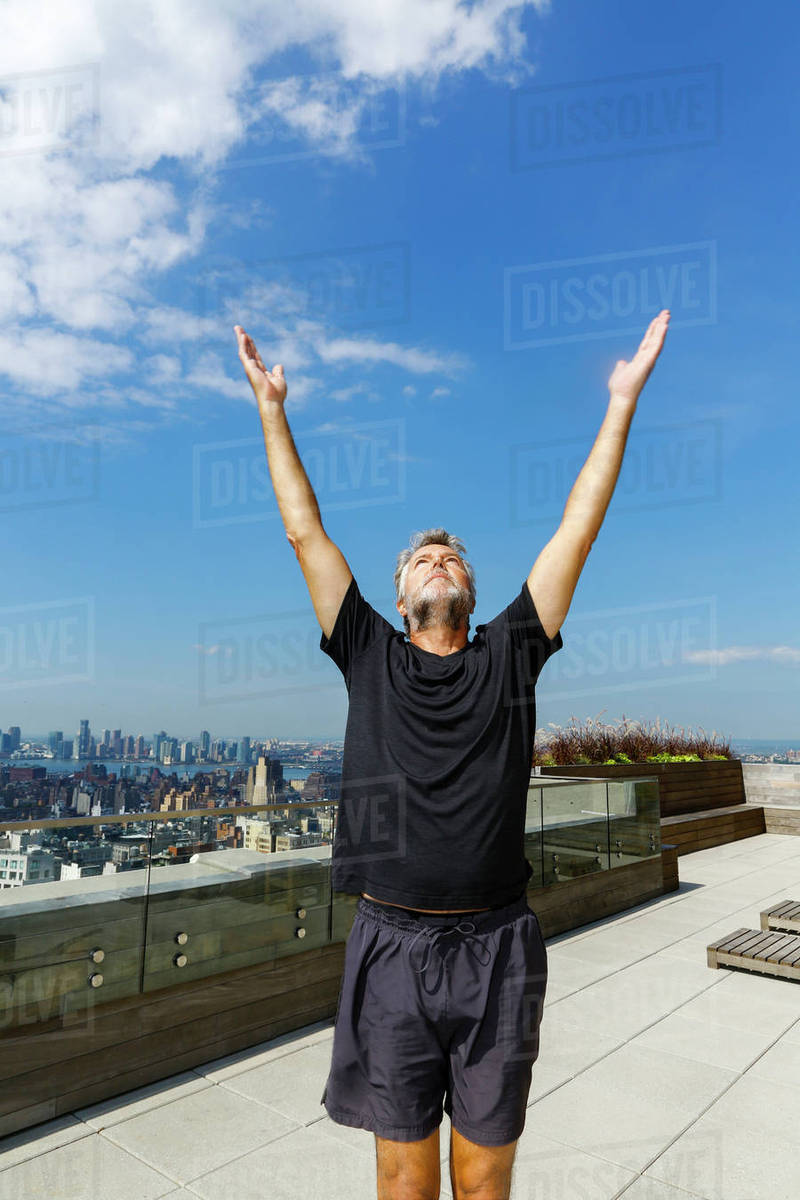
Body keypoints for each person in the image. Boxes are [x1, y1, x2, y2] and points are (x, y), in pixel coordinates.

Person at [234, 310, 670, 1200]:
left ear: (467, 592)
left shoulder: (513, 649)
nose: (437, 560)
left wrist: (621, 402)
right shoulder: (366, 650)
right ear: (400, 598)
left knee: (483, 1184)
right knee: (406, 1184)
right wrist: (272, 410)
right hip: (390, 941)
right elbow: (304, 532)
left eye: (450, 556)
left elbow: (576, 530)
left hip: (499, 944)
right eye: (422, 558)